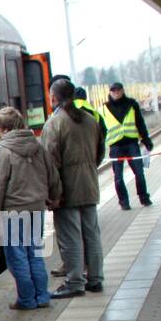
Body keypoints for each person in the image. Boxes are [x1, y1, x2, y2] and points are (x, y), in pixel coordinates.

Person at [0, 107, 60, 310]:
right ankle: (42, 296)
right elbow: (52, 175)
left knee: (17, 256)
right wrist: (55, 197)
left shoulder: (1, 151)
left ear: (6, 128)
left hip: (13, 211)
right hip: (36, 208)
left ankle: (27, 299)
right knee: (34, 252)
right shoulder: (37, 145)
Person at [42, 78, 104, 298]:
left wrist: (54, 194)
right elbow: (100, 153)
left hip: (66, 190)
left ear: (54, 97)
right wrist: (88, 170)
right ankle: (95, 279)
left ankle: (75, 282)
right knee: (92, 234)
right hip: (90, 185)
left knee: (71, 238)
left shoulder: (55, 123)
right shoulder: (90, 120)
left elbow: (50, 163)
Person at [101, 81, 153, 209]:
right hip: (115, 146)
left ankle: (144, 198)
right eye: (113, 90)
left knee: (139, 173)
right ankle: (124, 202)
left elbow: (140, 123)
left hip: (131, 144)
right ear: (110, 92)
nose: (116, 92)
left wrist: (146, 140)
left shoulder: (132, 104)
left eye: (118, 90)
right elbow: (100, 129)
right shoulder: (104, 108)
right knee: (118, 177)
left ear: (122, 90)